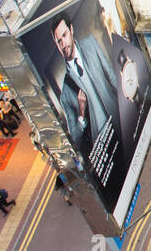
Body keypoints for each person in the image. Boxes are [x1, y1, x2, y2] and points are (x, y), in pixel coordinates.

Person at [51, 12, 122, 160]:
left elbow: (110, 75)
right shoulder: (66, 93)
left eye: (64, 35)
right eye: (58, 41)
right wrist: (81, 113)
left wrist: (126, 100)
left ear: (71, 30)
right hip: (104, 143)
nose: (63, 44)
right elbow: (75, 137)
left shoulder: (90, 44)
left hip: (119, 118)